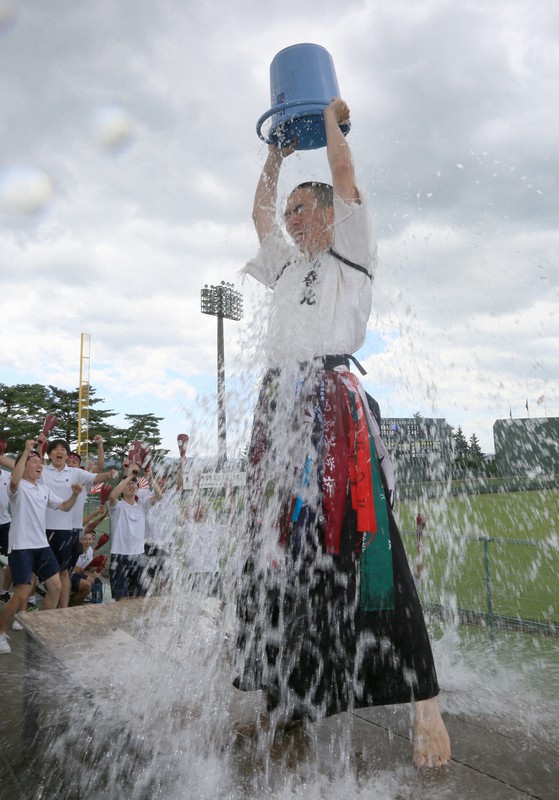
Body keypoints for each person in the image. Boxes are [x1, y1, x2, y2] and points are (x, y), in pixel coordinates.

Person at [235, 97, 450, 767]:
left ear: (331, 215)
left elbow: (347, 172)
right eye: (292, 210)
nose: (294, 218)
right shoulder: (282, 264)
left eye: (306, 208)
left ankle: (425, 709)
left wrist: (329, 124)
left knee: (371, 549)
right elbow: (256, 212)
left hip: (334, 410)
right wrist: (273, 154)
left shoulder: (351, 252)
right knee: (278, 555)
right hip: (279, 413)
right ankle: (287, 702)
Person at [0, 440, 83, 654]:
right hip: (21, 547)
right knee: (21, 594)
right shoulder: (17, 487)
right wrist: (27, 450)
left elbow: (64, 507)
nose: (39, 465)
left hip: (41, 545)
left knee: (55, 587)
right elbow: (15, 481)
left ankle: (40, 627)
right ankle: (0, 632)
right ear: (24, 466)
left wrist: (74, 495)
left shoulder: (43, 490)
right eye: (34, 462)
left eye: (40, 461)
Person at [40, 438, 117, 608]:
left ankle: (63, 607)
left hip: (70, 530)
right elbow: (28, 467)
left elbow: (100, 471)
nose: (61, 453)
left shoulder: (79, 475)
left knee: (64, 572)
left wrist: (101, 448)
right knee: (39, 573)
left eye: (64, 450)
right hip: (43, 528)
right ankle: (31, 605)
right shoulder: (44, 471)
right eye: (56, 449)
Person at [108, 465, 162, 601]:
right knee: (121, 599)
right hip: (119, 557)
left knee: (138, 599)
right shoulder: (117, 506)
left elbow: (159, 496)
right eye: (128, 484)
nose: (132, 486)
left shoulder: (142, 506)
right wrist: (130, 476)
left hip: (138, 556)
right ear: (123, 487)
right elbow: (112, 495)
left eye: (134, 484)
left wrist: (151, 479)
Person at [0, 451, 15, 603]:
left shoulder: (7, 475)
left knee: (13, 560)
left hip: (5, 523)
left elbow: (20, 468)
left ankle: (4, 591)